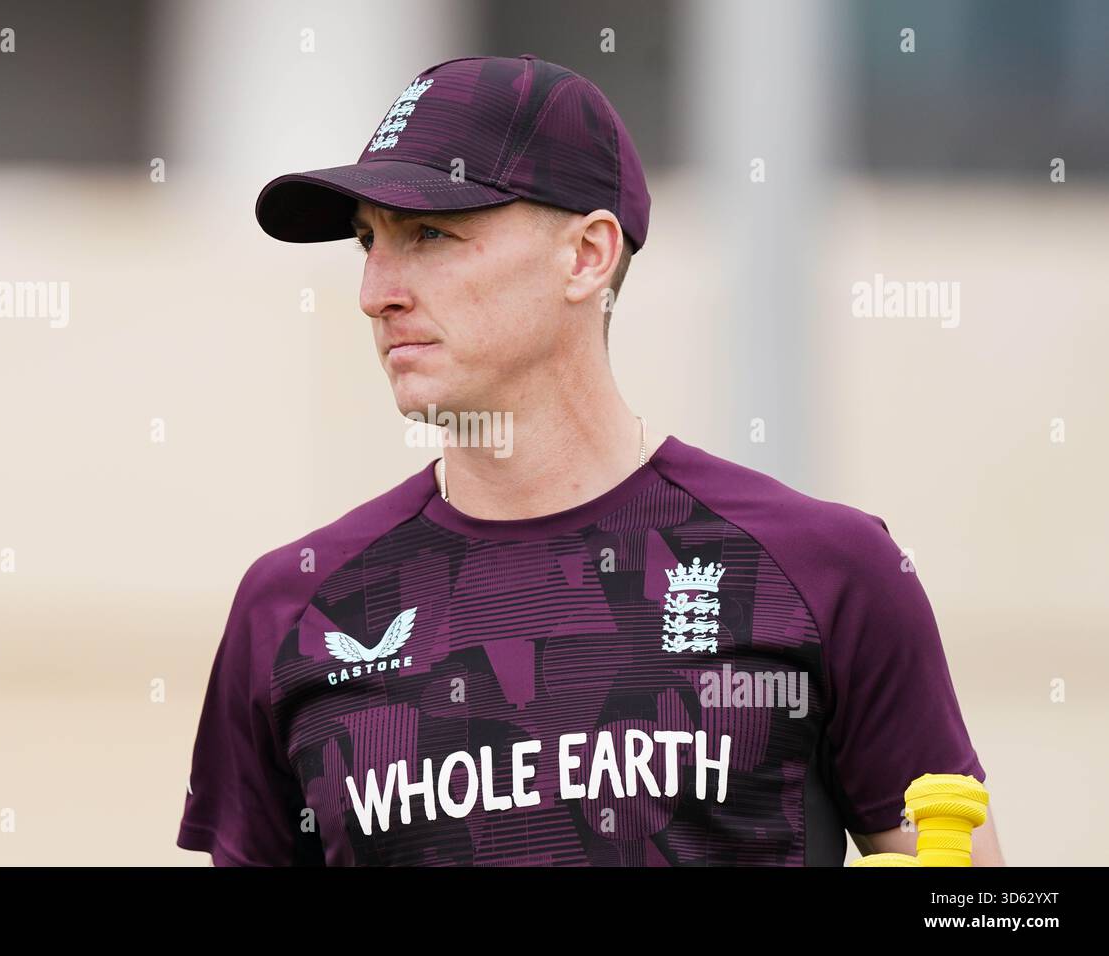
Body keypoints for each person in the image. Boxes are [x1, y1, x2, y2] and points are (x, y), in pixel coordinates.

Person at [176, 53, 1001, 866]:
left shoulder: (828, 568)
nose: (375, 292)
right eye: (368, 242)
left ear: (587, 257)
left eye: (430, 233)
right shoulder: (291, 607)